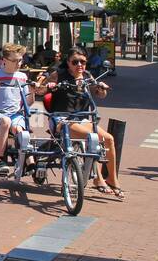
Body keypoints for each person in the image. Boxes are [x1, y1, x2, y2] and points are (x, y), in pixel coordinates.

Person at [37, 47, 121, 196]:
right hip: (61, 119)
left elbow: (100, 94)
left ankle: (112, 179)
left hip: (82, 119)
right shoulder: (59, 75)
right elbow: (40, 91)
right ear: (68, 63)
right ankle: (98, 179)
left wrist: (102, 88)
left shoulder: (87, 76)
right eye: (75, 62)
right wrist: (48, 86)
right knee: (92, 138)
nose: (79, 65)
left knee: (109, 139)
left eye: (82, 61)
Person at [0, 43, 33, 177]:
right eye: (15, 60)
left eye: (20, 60)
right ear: (4, 60)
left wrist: (33, 92)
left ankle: (29, 162)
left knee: (20, 130)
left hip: (16, 115)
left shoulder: (22, 77)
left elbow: (28, 103)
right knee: (5, 121)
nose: (18, 63)